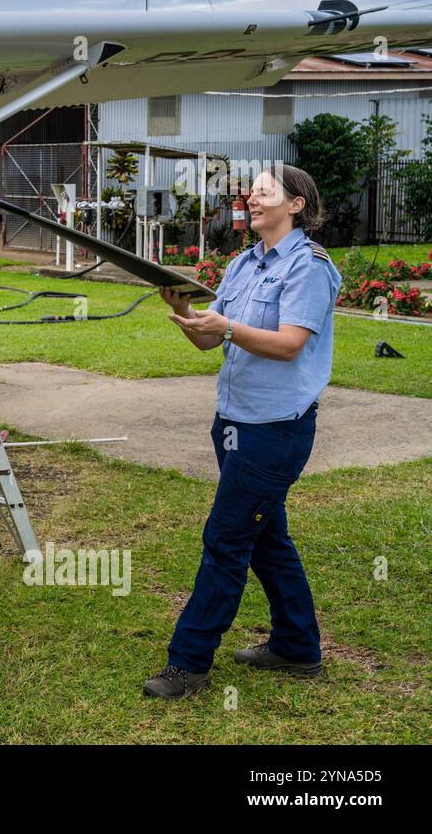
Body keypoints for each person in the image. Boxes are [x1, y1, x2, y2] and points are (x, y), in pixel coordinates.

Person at [144, 164, 342, 700]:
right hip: (232, 421)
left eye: (264, 190)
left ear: (296, 204)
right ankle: (297, 647)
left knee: (227, 538)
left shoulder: (310, 267)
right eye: (249, 190)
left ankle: (188, 663)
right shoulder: (243, 264)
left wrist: (226, 325)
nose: (250, 197)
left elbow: (288, 344)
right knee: (265, 539)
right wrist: (187, 311)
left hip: (275, 430)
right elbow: (214, 344)